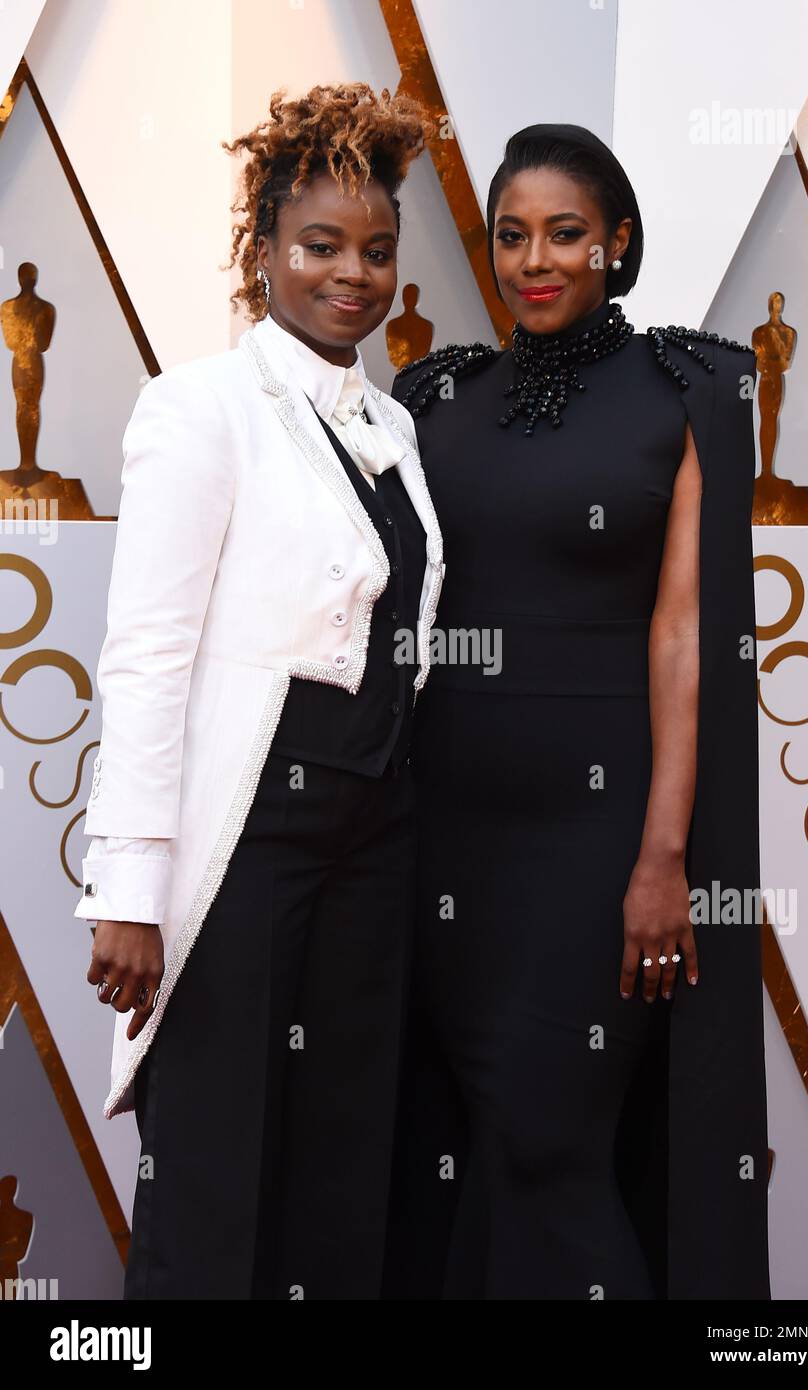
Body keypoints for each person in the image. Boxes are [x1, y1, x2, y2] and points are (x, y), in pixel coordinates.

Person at [383, 123, 770, 1300]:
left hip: (597, 844)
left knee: (551, 1141)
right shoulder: (432, 394)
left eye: (564, 233)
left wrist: (662, 854)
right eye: (510, 236)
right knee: (473, 1151)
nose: (533, 259)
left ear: (617, 243)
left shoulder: (690, 388)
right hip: (440, 838)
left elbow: (681, 635)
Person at [73, 83, 441, 1300]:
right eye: (322, 246)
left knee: (340, 1183)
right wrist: (128, 889)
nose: (353, 275)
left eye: (377, 250)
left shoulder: (390, 424)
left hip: (372, 845)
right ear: (265, 250)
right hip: (246, 851)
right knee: (215, 1180)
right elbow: (147, 652)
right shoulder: (201, 409)